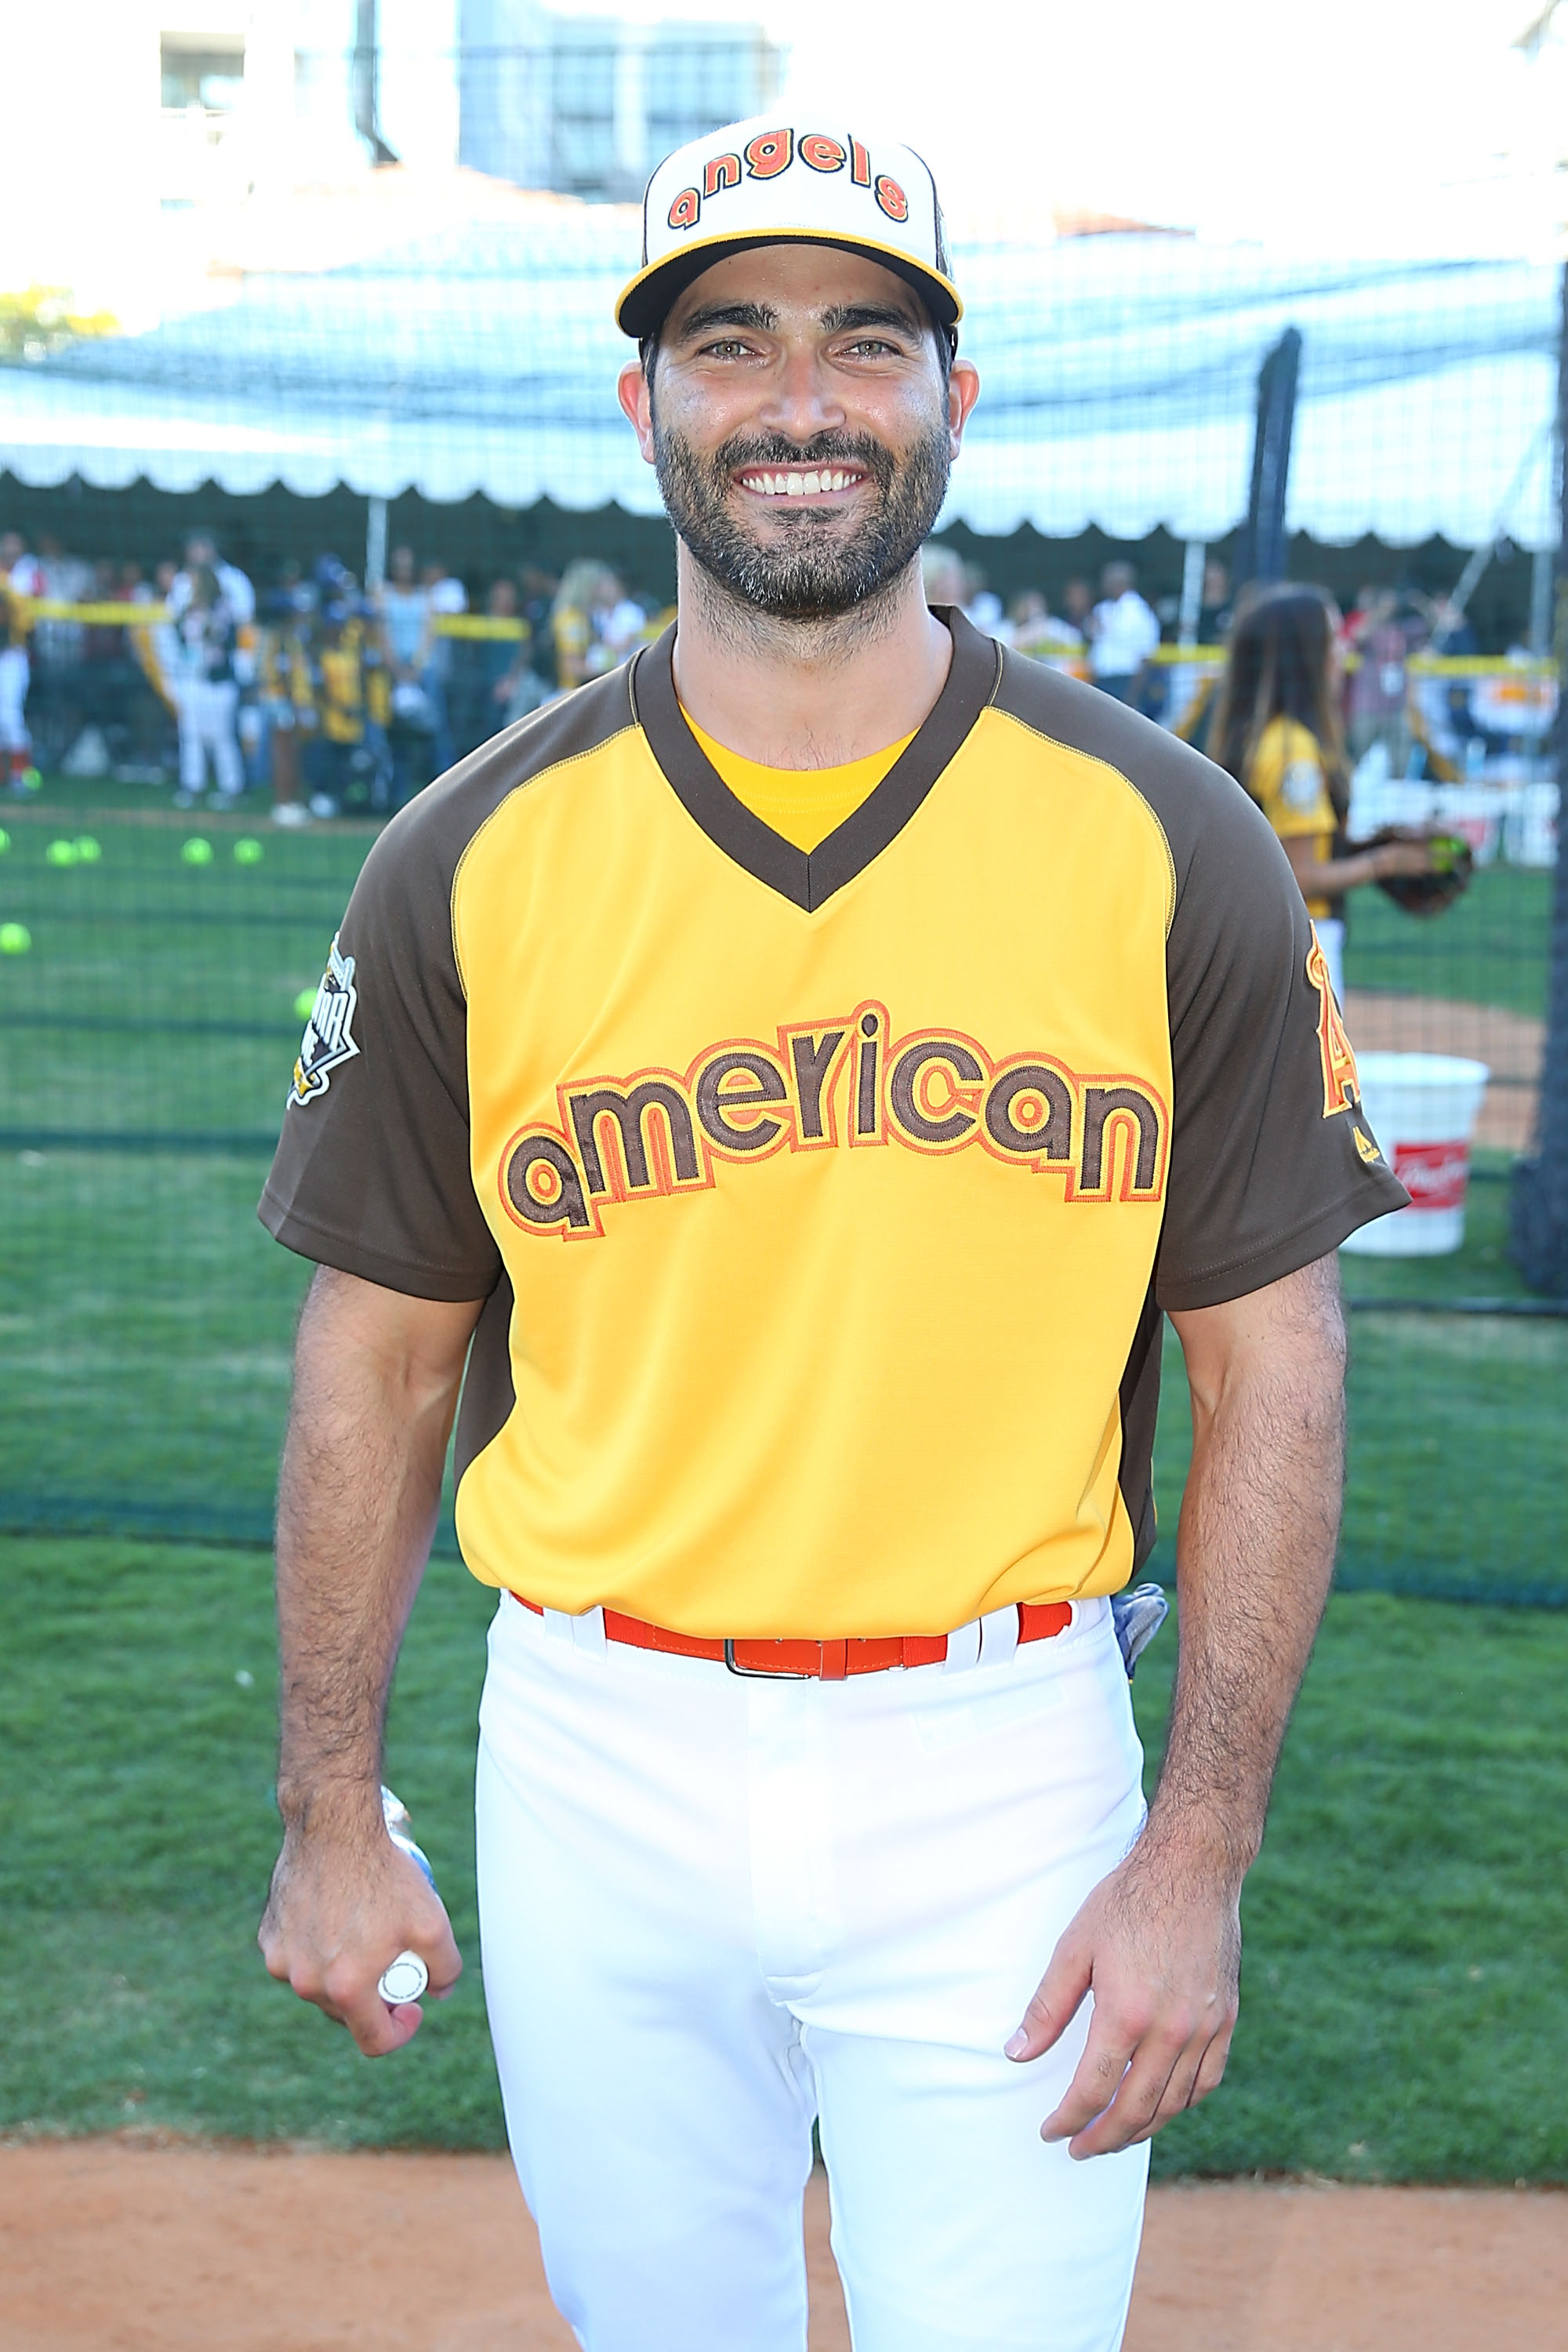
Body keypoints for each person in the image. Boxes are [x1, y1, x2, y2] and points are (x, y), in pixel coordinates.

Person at [258, 115, 1406, 2352]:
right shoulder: (464, 854)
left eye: (866, 341)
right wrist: (325, 1803)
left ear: (953, 400)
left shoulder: (1168, 839)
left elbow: (1279, 1371)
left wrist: (1201, 1860)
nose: (802, 401)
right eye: (731, 342)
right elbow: (374, 1363)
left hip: (1003, 1773)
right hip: (593, 1744)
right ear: (647, 406)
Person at [1210, 583, 1437, 1007]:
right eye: (1333, 638)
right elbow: (1299, 874)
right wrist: (1388, 861)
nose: (1343, 650)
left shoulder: (1266, 738)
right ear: (1307, 656)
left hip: (1264, 942)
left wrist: (1364, 844)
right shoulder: (1292, 751)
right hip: (1300, 947)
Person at [169, 563, 245, 807]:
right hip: (191, 680)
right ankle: (192, 785)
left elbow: (220, 637)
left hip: (218, 683)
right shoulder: (186, 610)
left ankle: (231, 787)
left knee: (220, 736)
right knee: (190, 735)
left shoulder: (223, 608)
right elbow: (180, 638)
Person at [0, 531, 45, 790]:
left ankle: (21, 775)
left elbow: (29, 602)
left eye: (15, 543)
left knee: (9, 714)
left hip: (14, 653)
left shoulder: (30, 570)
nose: (10, 548)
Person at [1087, 561, 1160, 702]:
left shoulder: (1140, 613)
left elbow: (1146, 656)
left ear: (1120, 583)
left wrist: (1133, 695)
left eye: (1107, 581)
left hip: (1126, 680)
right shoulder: (1102, 609)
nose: (1103, 585)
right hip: (1101, 679)